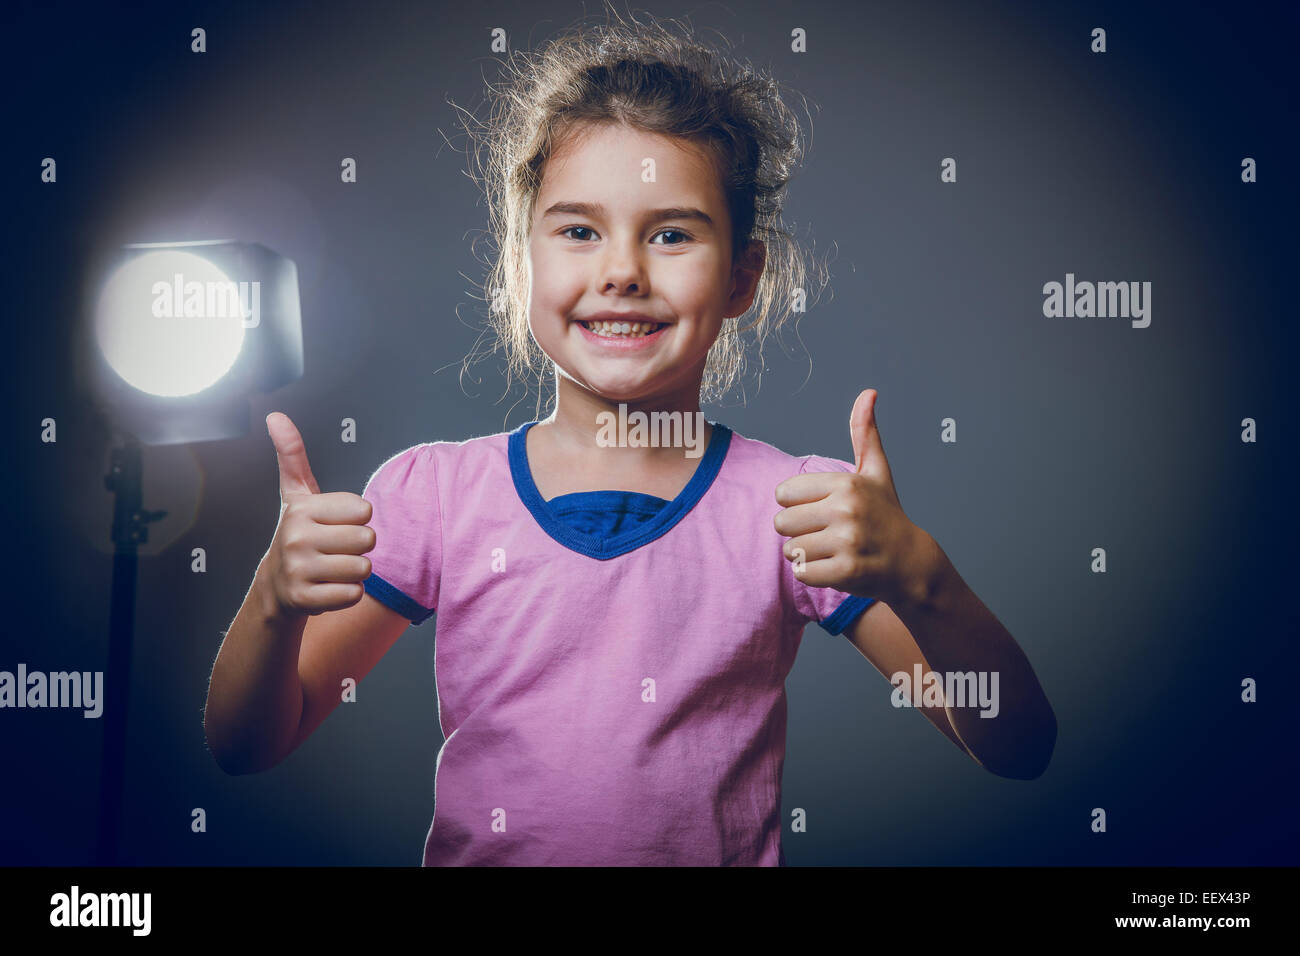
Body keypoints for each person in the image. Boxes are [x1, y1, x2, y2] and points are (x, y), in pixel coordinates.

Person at [204, 9, 1056, 866]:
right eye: (578, 231)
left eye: (673, 234)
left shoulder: (797, 507)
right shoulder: (434, 495)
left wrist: (921, 576)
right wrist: (274, 598)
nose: (621, 270)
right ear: (520, 260)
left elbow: (1018, 748)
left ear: (741, 278)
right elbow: (247, 746)